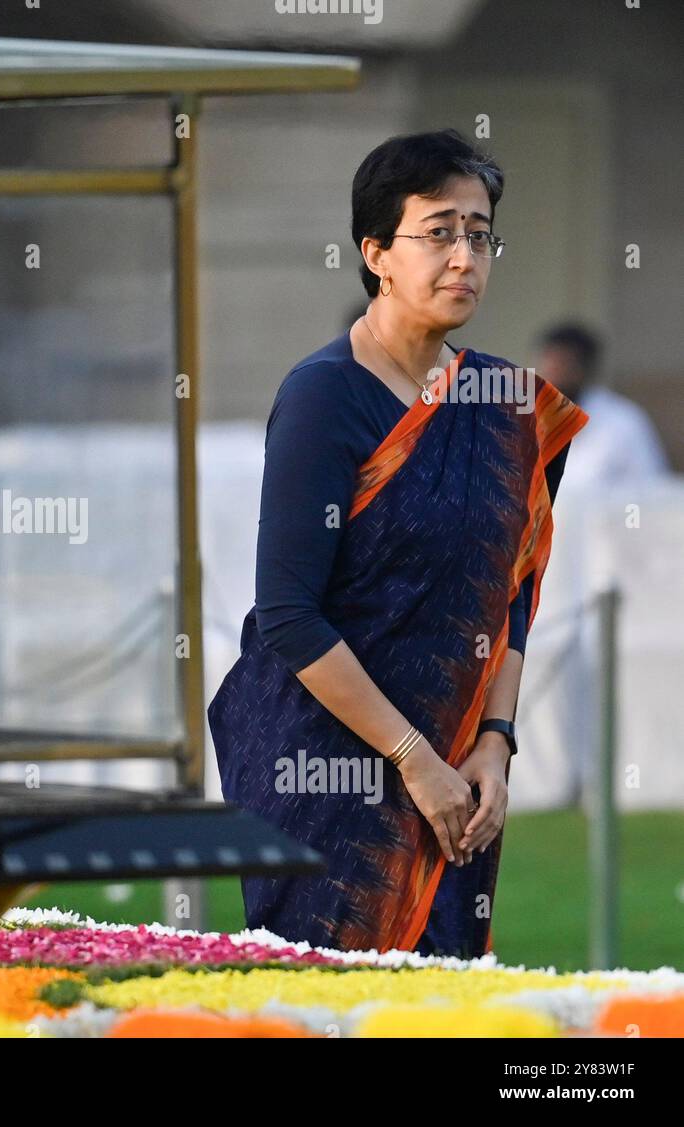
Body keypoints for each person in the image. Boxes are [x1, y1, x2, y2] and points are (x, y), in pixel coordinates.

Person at [208, 129, 589, 958]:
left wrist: (494, 742)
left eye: (481, 235)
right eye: (440, 231)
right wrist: (413, 759)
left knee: (448, 1004)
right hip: (325, 767)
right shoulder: (324, 396)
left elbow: (512, 587)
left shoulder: (502, 404)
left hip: (458, 776)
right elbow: (290, 613)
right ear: (377, 252)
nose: (465, 256)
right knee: (339, 1008)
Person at [535, 322, 668, 493]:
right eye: (546, 366)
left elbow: (654, 491)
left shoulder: (624, 422)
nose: (550, 376)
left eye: (560, 366)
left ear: (582, 370)